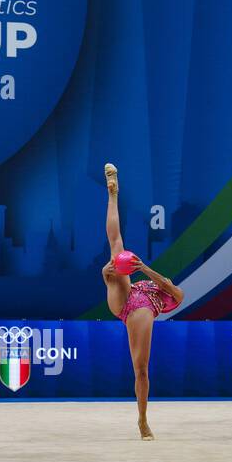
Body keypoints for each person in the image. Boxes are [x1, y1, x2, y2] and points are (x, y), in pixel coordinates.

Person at [99, 163, 183, 440]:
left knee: (141, 370)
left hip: (140, 310)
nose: (165, 284)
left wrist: (146, 269)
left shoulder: (163, 294)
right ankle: (113, 192)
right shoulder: (144, 286)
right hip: (128, 294)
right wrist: (111, 275)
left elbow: (176, 293)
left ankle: (142, 419)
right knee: (116, 245)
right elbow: (135, 275)